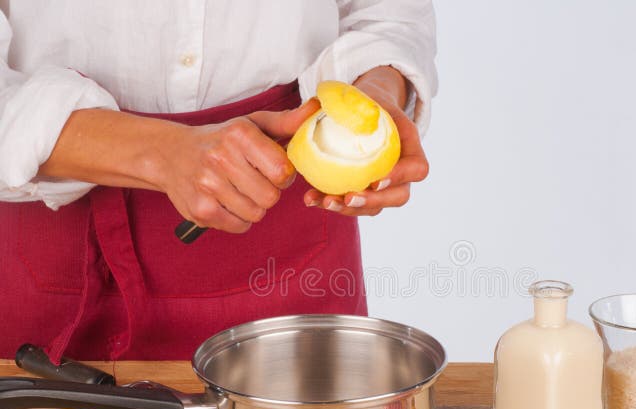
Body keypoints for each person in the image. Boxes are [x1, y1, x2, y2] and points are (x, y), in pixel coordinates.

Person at [0, 1, 437, 362]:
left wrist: (375, 97)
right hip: (52, 245)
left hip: (288, 223)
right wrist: (161, 152)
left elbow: (387, 12)